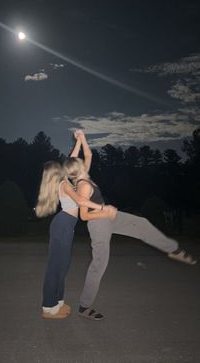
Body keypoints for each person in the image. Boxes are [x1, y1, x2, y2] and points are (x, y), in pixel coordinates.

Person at [64, 130, 197, 321]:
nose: (86, 161)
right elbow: (84, 215)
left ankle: (172, 249)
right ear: (78, 170)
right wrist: (106, 210)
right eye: (81, 163)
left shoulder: (80, 175)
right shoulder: (83, 185)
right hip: (98, 223)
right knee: (99, 264)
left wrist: (82, 139)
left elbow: (86, 155)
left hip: (109, 217)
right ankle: (85, 306)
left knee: (141, 223)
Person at [35, 137, 117, 320]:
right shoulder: (64, 184)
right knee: (55, 267)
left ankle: (58, 303)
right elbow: (80, 201)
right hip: (62, 225)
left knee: (63, 266)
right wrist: (104, 208)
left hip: (66, 226)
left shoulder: (68, 179)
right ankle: (48, 308)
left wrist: (79, 139)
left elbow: (73, 158)